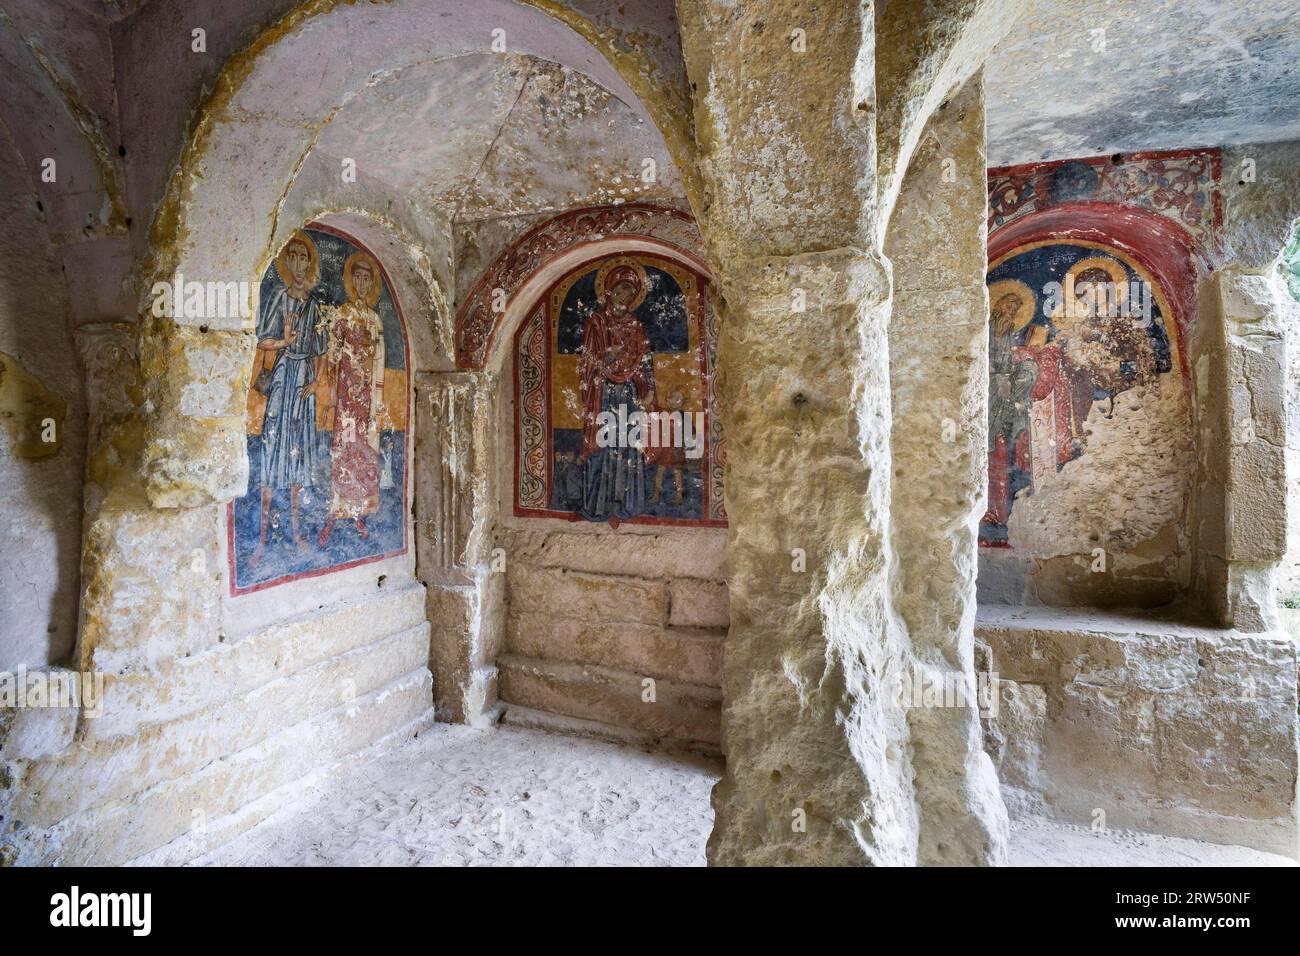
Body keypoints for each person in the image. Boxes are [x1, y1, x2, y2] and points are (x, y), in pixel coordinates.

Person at [250, 231, 328, 567]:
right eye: (292, 257)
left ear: (310, 264)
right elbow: (261, 342)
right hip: (282, 379)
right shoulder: (280, 298)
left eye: (303, 258)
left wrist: (318, 381)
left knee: (297, 459)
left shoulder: (316, 306)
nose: (298, 264)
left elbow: (323, 349)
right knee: (271, 453)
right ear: (286, 263)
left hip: (303, 387)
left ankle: (296, 534)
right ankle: (261, 541)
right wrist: (284, 341)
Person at [317, 252, 386, 547]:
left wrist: (378, 401)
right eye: (356, 277)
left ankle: (359, 512)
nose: (361, 283)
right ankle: (336, 512)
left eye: (366, 278)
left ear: (371, 283)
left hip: (368, 400)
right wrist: (330, 396)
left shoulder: (374, 319)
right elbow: (332, 358)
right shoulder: (342, 314)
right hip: (347, 399)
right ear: (350, 281)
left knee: (366, 452)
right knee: (344, 451)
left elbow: (380, 359)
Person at [576, 263, 655, 522]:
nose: (627, 295)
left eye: (631, 291)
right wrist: (606, 357)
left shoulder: (635, 324)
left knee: (628, 445)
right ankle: (598, 505)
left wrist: (650, 389)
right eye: (622, 289)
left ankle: (627, 505)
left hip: (629, 393)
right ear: (610, 290)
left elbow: (644, 359)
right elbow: (587, 360)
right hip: (604, 394)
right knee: (604, 444)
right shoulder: (597, 322)